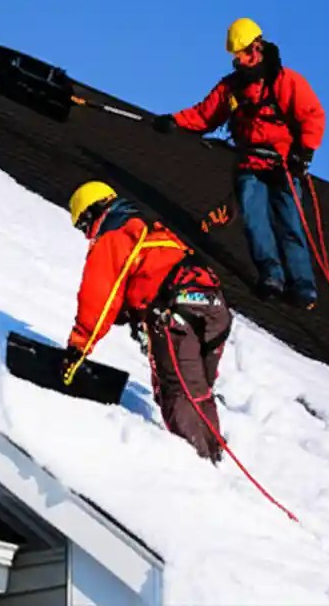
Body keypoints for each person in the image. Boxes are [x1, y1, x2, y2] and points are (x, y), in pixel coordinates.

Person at [152, 17, 324, 309]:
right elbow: (205, 115)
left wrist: (304, 153)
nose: (239, 60)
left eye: (243, 53)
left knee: (290, 222)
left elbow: (312, 115)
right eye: (236, 56)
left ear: (257, 47)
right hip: (249, 163)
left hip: (283, 164)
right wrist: (174, 121)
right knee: (255, 222)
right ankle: (271, 276)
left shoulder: (287, 82)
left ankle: (303, 284)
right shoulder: (231, 88)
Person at [64, 181, 230, 462]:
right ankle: (214, 456)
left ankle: (197, 465)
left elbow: (99, 297)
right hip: (215, 308)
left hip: (175, 314)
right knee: (198, 392)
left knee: (178, 393)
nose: (86, 235)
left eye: (83, 226)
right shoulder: (151, 228)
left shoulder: (113, 234)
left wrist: (78, 347)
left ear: (91, 213)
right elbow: (147, 278)